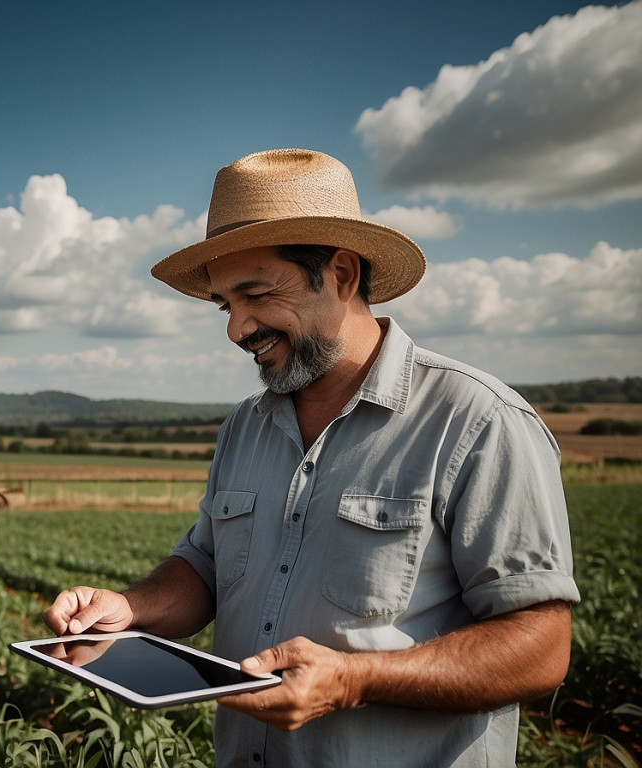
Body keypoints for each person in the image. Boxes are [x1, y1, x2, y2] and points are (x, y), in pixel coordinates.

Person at [42, 148, 580, 767]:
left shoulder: (478, 421)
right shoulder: (247, 425)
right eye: (225, 305)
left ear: (343, 275)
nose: (236, 328)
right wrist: (131, 607)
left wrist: (354, 680)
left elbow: (541, 647)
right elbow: (207, 566)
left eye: (256, 295)